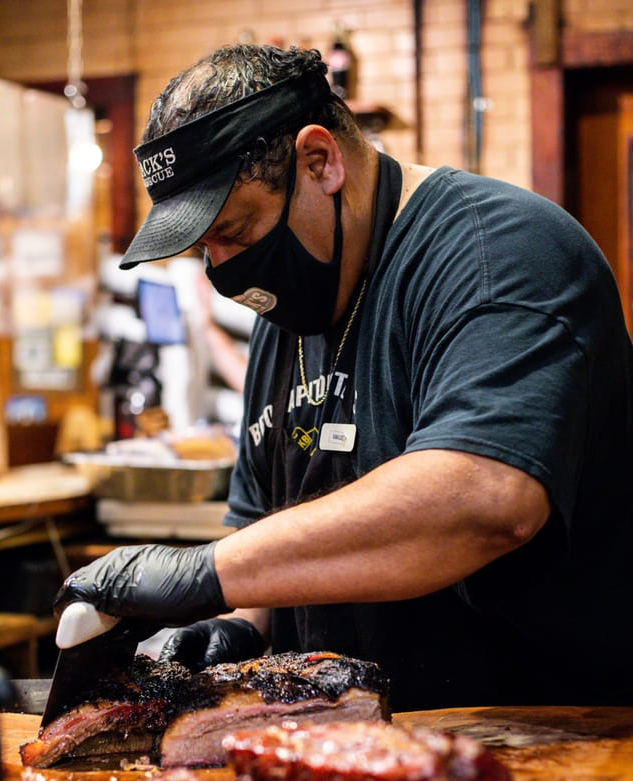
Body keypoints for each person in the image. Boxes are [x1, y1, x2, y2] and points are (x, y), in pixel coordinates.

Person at [54, 44, 633, 710]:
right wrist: (233, 625)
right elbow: (272, 545)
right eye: (204, 248)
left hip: (543, 750)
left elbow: (486, 499)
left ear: (320, 160)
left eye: (236, 231)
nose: (222, 272)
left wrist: (201, 572)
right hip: (347, 762)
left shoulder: (497, 252)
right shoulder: (288, 314)